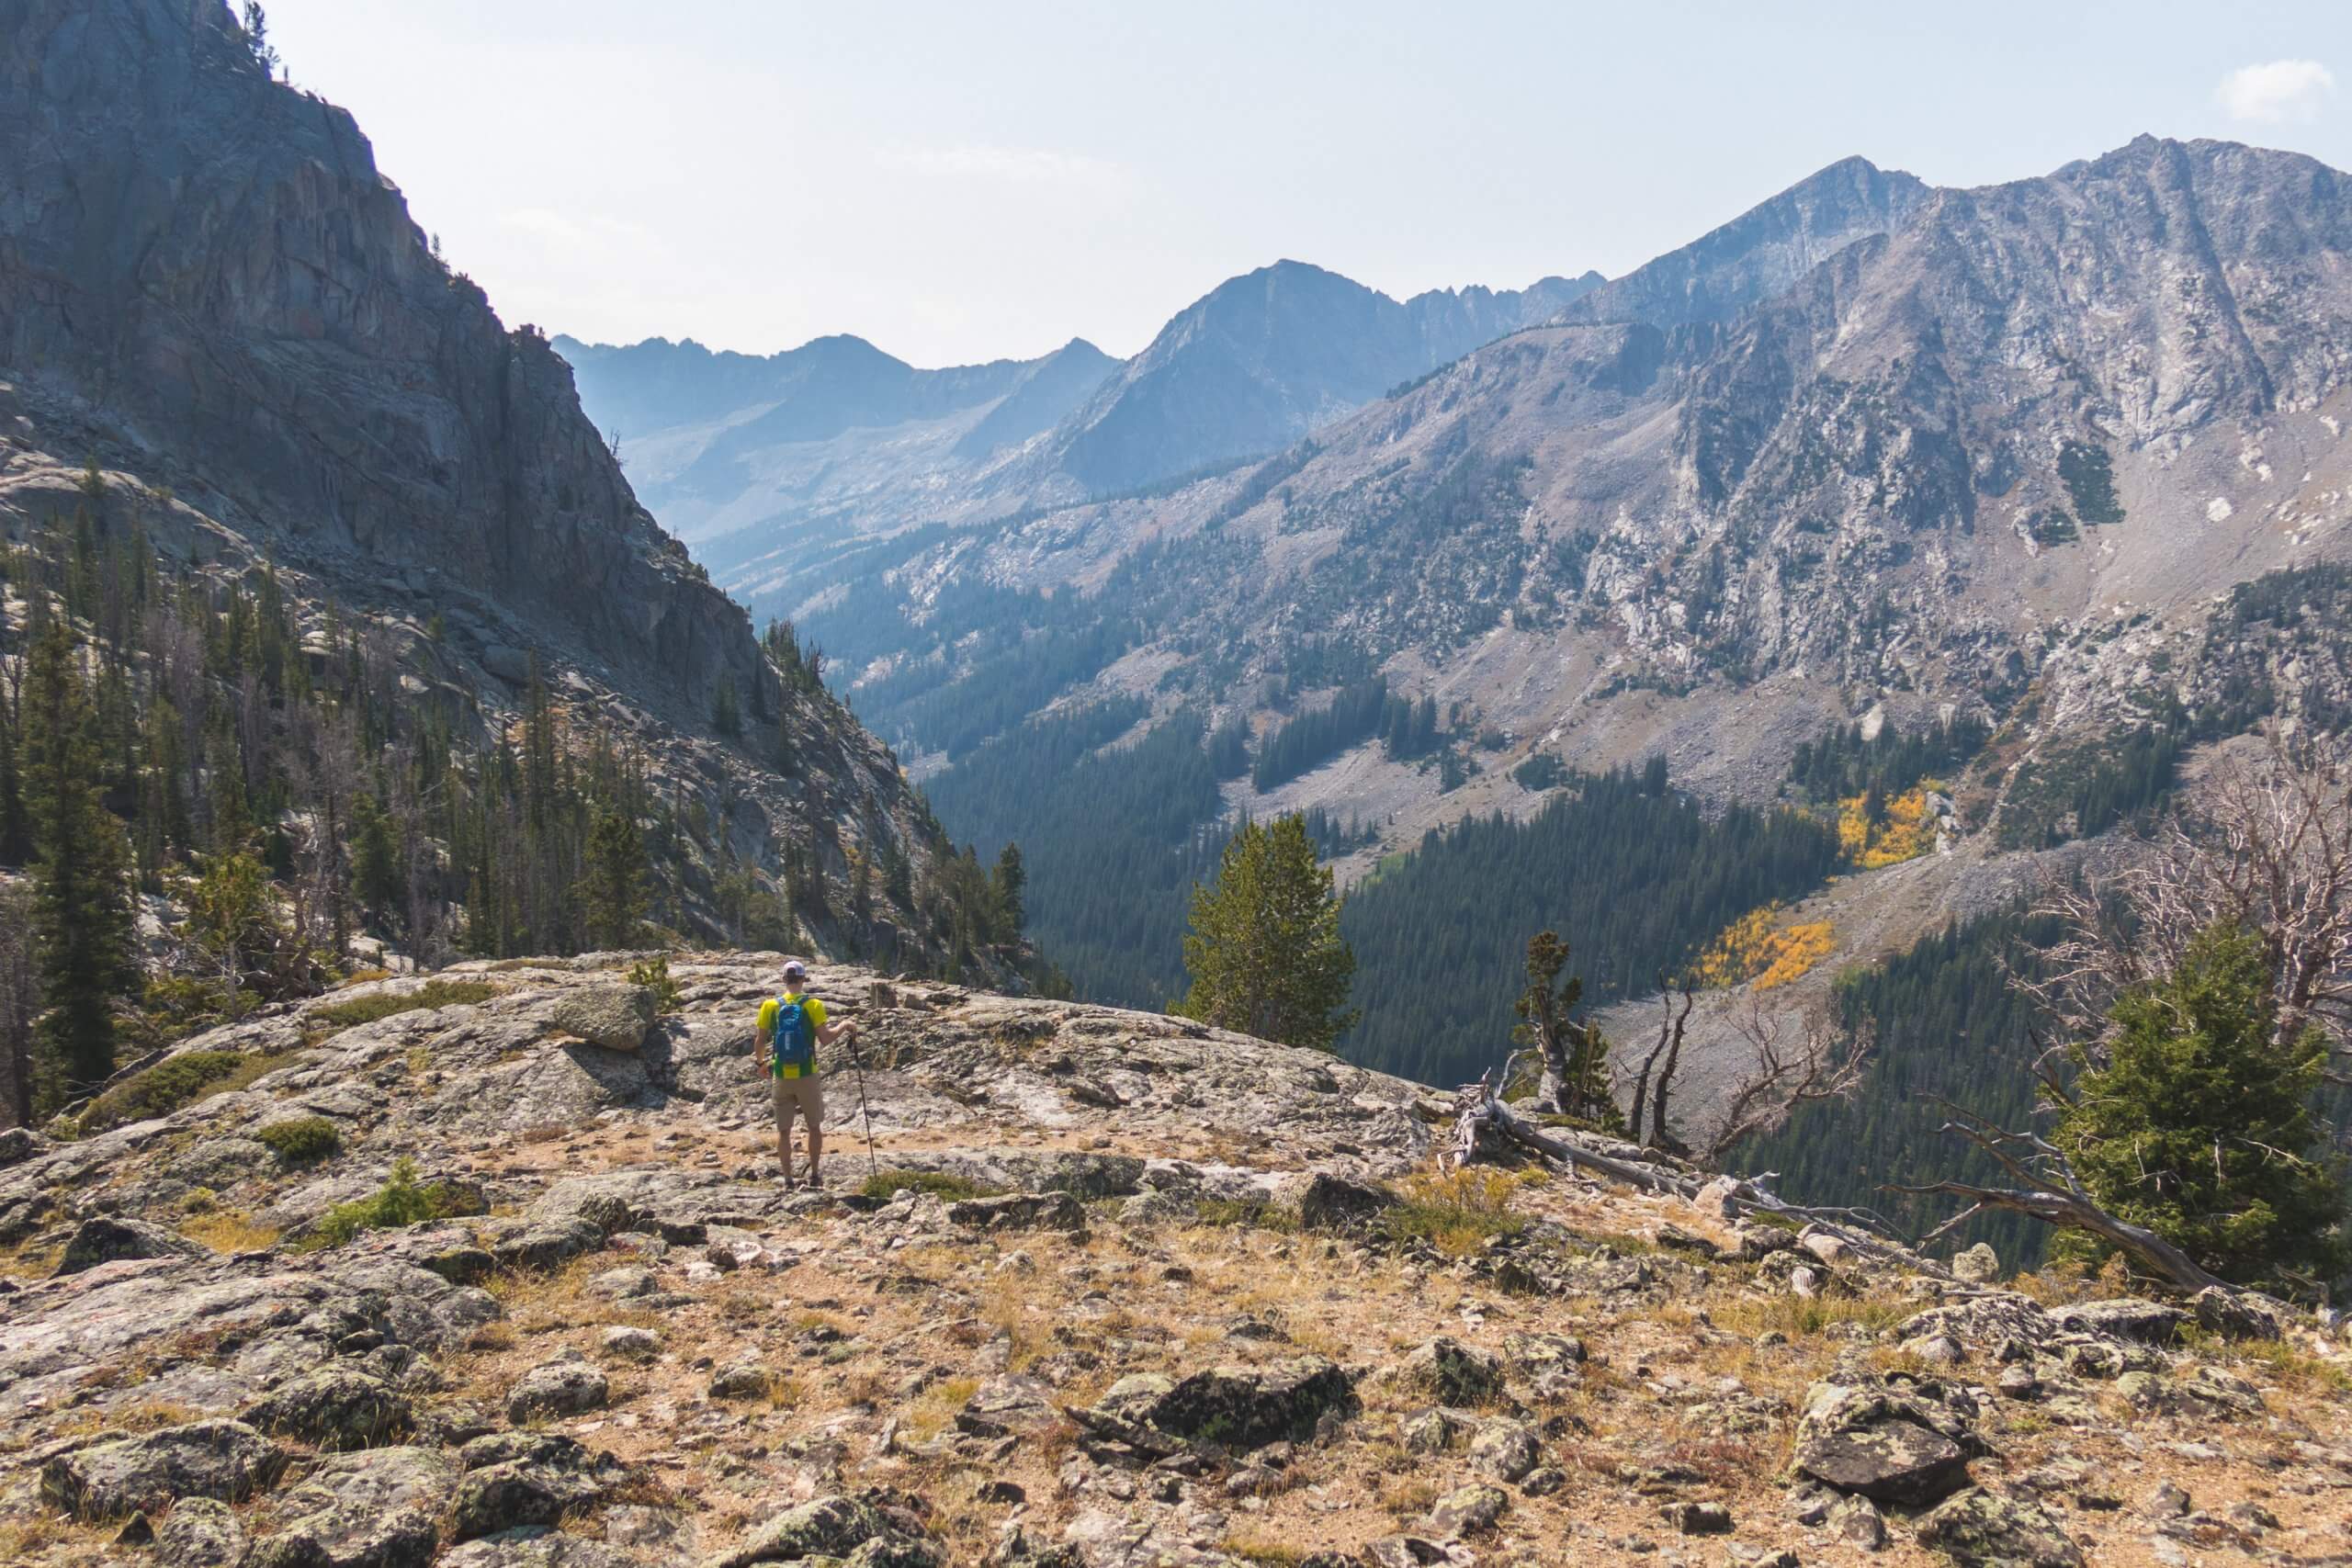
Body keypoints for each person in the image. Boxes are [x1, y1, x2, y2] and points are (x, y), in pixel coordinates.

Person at [756, 960, 856, 1188]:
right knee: (813, 1127)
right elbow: (825, 1039)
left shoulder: (770, 1006)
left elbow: (760, 1040)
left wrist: (761, 1063)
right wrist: (844, 1026)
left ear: (783, 979)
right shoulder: (813, 1005)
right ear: (803, 979)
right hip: (807, 1073)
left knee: (783, 1131)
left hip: (781, 1074)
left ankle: (788, 1179)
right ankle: (814, 1174)